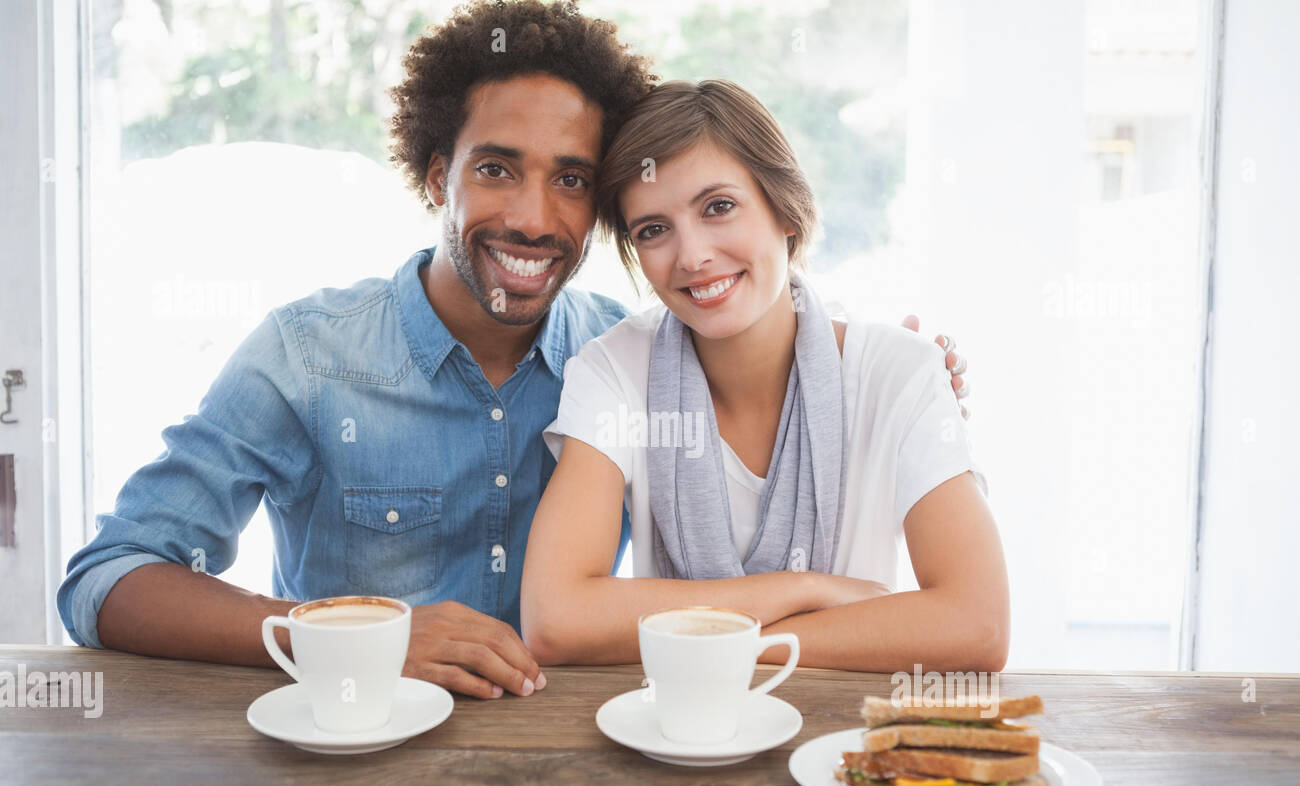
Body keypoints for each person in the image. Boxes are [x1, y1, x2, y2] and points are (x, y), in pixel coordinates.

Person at [56, 2, 969, 699]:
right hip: (346, 757)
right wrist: (339, 634)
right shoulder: (309, 355)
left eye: (570, 180)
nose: (535, 218)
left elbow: (754, 315)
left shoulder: (624, 354)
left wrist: (904, 383)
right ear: (433, 176)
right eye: (496, 169)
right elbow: (107, 580)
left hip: (572, 769)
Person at [521, 80, 1008, 674]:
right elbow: (556, 618)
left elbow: (976, 625)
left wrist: (728, 645)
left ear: (783, 206)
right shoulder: (616, 369)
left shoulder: (898, 372)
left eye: (718, 207)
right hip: (674, 735)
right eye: (653, 230)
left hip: (839, 742)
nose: (692, 255)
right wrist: (802, 589)